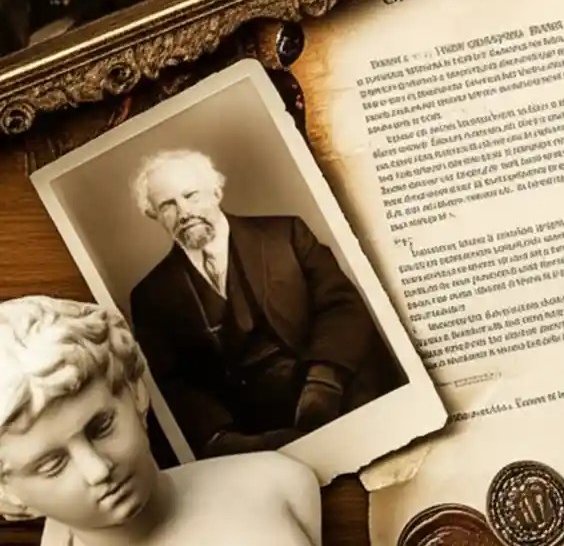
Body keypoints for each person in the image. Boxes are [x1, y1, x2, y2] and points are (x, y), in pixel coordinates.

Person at [128, 149, 399, 458]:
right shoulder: (151, 296)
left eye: (191, 195)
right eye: (168, 205)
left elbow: (341, 304)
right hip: (254, 432)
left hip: (333, 386)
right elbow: (174, 383)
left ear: (216, 192)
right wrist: (222, 438)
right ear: (154, 215)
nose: (185, 211)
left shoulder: (286, 234)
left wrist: (324, 382)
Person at [0, 295, 321, 546]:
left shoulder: (272, 483)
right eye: (52, 465)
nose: (98, 470)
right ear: (9, 496)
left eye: (102, 427)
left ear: (135, 389)